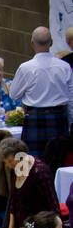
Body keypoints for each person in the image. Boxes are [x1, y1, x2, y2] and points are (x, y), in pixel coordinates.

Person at [10, 26, 73, 161]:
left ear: (32, 43)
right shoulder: (65, 67)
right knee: (57, 162)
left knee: (31, 163)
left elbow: (13, 95)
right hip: (59, 119)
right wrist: (70, 123)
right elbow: (71, 98)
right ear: (51, 43)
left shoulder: (26, 68)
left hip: (34, 119)